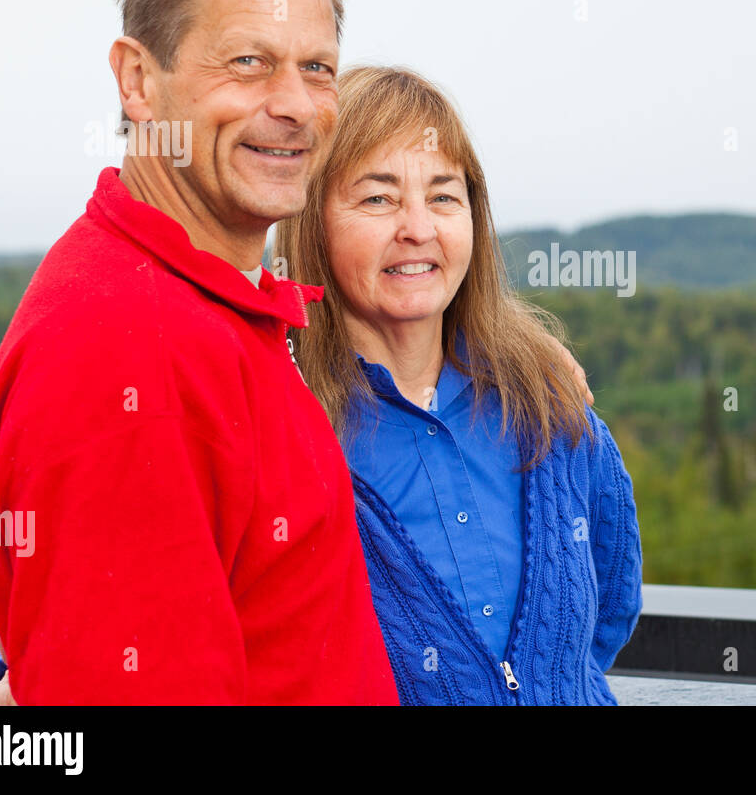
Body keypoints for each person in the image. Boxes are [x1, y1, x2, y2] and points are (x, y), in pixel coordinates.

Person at [0, 0, 403, 704]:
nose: (297, 105)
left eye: (317, 67)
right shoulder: (128, 348)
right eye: (247, 63)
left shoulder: (208, 306)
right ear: (139, 80)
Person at [272, 66, 643, 704]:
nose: (418, 228)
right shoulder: (287, 430)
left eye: (443, 196)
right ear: (313, 224)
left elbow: (608, 611)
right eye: (378, 197)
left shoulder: (548, 407)